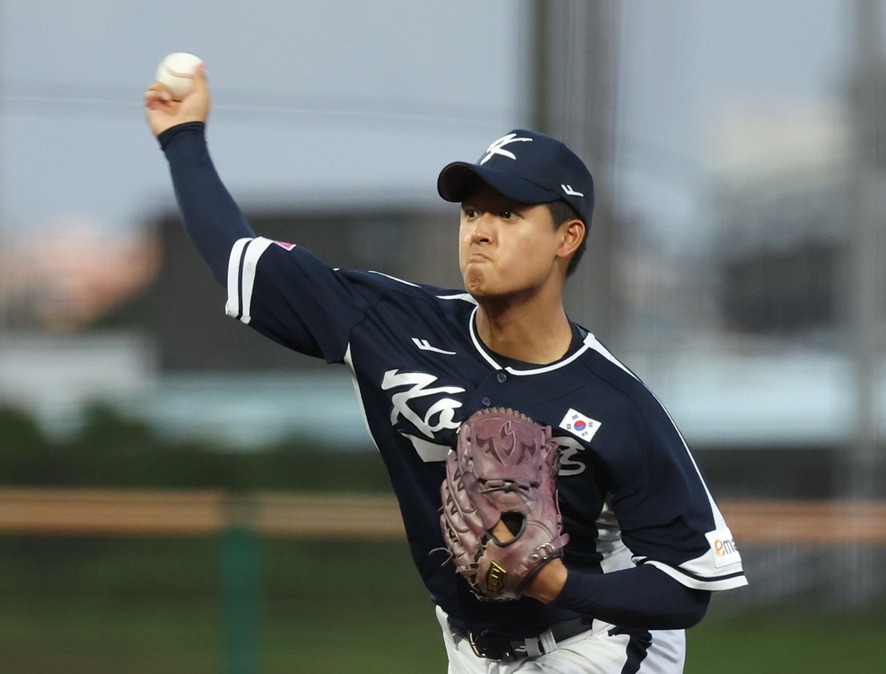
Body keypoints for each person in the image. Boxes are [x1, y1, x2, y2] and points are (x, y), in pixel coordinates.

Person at [144, 62, 747, 673]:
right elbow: (238, 258)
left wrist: (556, 583)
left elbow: (686, 586)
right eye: (471, 212)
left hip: (599, 642)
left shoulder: (615, 403)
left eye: (508, 214)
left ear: (567, 237)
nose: (479, 231)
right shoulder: (388, 322)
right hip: (470, 648)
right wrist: (183, 136)